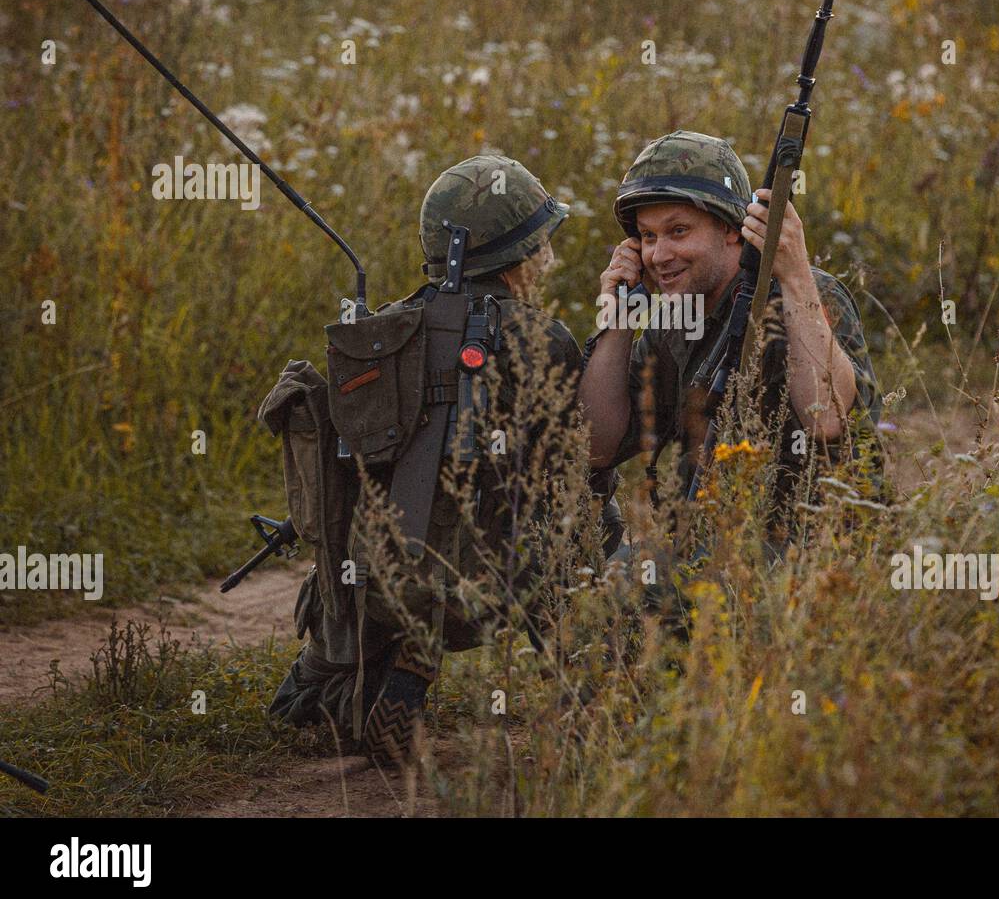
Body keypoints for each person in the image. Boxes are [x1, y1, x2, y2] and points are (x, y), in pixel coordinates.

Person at [266, 154, 587, 766]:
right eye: (545, 245)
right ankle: (580, 700)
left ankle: (368, 686)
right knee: (579, 525)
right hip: (488, 591)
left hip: (370, 584)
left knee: (407, 555)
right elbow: (574, 466)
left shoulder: (382, 332)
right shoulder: (544, 339)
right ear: (518, 257)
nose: (551, 258)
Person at [580, 130, 881, 561]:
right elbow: (595, 446)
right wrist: (618, 320)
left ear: (732, 231)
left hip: (816, 554)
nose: (659, 255)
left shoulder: (804, 295)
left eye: (678, 231)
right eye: (647, 237)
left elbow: (828, 419)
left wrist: (796, 275)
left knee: (620, 588)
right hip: (709, 552)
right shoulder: (673, 318)